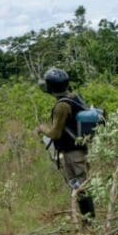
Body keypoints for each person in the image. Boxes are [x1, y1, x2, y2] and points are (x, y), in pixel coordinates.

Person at [35, 68, 95, 219]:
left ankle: (89, 222)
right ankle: (86, 220)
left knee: (81, 188)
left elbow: (55, 133)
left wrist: (42, 129)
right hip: (80, 150)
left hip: (72, 154)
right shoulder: (75, 97)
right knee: (81, 187)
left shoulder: (61, 106)